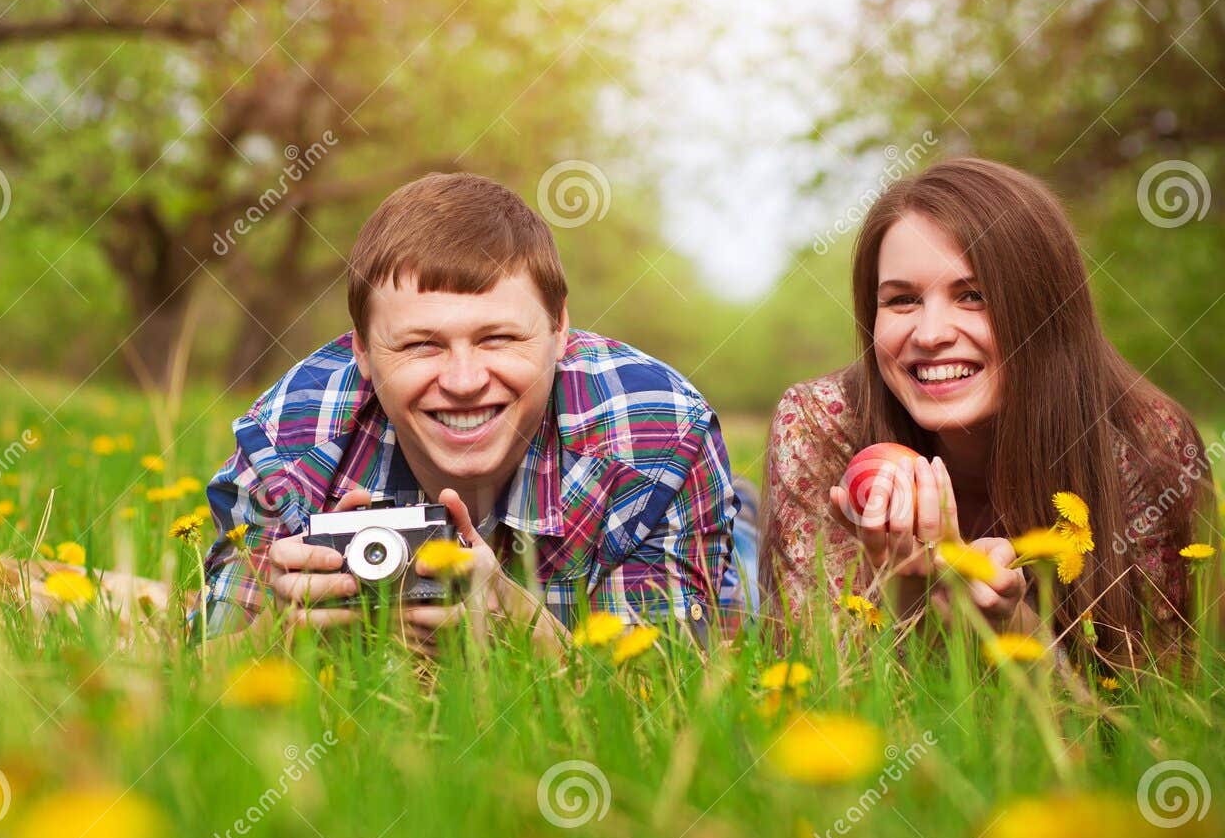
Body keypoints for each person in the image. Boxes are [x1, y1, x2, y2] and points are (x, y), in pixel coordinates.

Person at [197, 172, 751, 650]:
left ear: (560, 329)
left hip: (656, 510)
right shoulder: (289, 442)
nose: (464, 382)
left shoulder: (658, 431)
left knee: (751, 604)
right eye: (420, 345)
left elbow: (660, 692)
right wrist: (276, 635)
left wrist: (518, 623)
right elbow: (202, 674)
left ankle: (743, 511)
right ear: (360, 350)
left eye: (499, 338)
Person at [761, 157, 1208, 664]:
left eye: (973, 295)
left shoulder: (1144, 441)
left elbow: (1155, 718)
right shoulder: (820, 423)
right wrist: (908, 599)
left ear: (1044, 307)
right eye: (902, 300)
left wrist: (1008, 625)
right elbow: (810, 698)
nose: (930, 335)